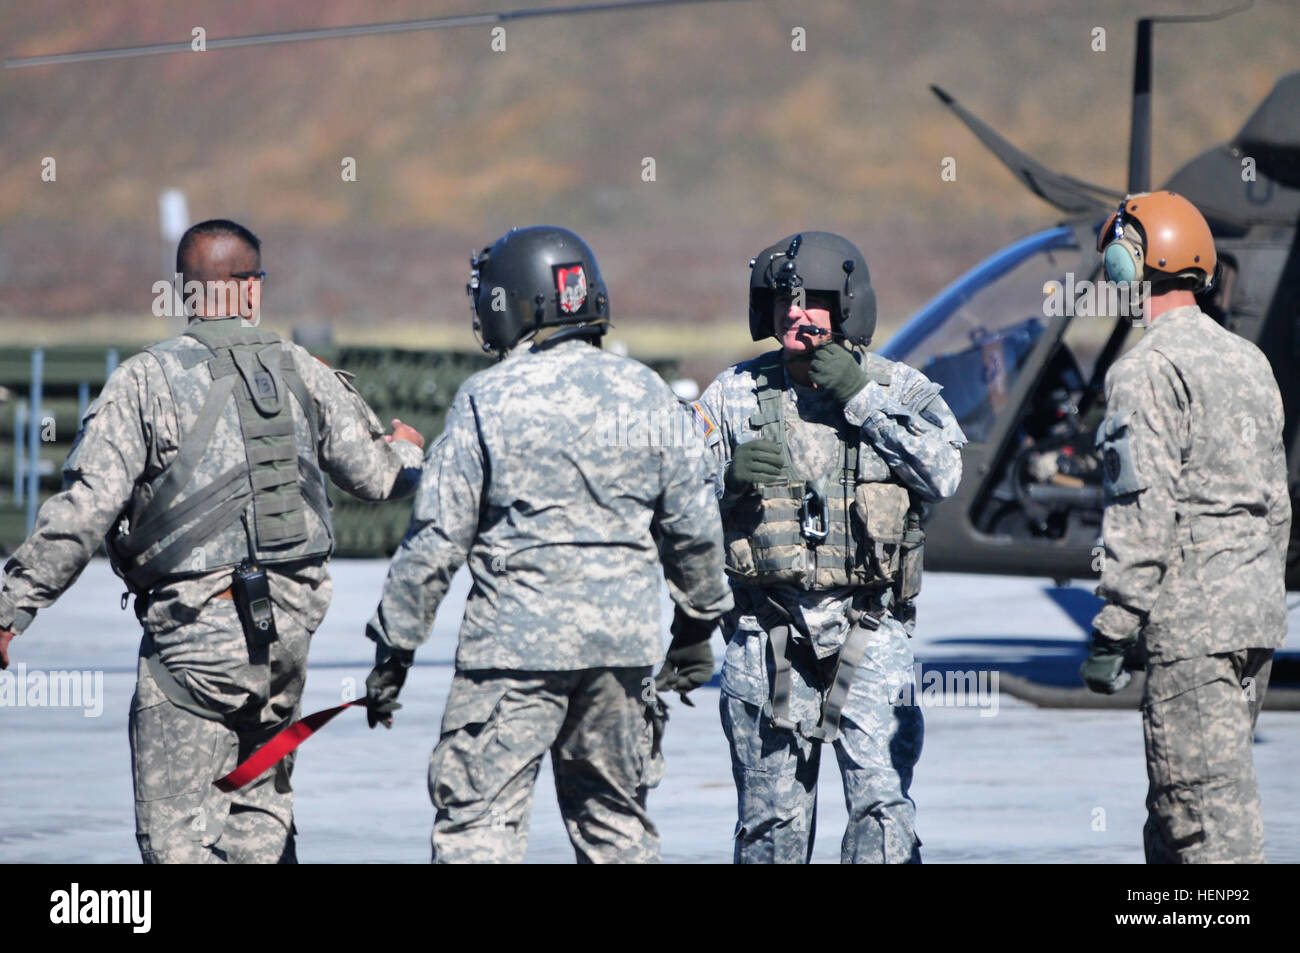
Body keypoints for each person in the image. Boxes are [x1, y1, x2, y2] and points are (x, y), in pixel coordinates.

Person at [0, 219, 425, 863]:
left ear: (183, 294)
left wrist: (12, 608)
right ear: (251, 292)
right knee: (261, 828)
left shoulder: (143, 383)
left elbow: (83, 510)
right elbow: (380, 476)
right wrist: (407, 448)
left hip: (192, 655)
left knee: (177, 845)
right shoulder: (303, 371)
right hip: (283, 655)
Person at [363, 225, 732, 864]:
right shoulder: (646, 391)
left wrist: (395, 649)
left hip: (511, 653)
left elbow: (435, 541)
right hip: (621, 651)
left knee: (479, 828)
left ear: (511, 303)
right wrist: (698, 626)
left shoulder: (487, 397)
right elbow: (695, 526)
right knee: (618, 828)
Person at [692, 231, 965, 864]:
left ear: (846, 306)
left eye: (815, 300)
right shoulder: (733, 395)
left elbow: (945, 475)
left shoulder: (899, 389)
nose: (798, 314)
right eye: (785, 300)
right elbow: (672, 500)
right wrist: (725, 480)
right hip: (769, 636)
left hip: (870, 632)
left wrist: (859, 398)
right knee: (769, 827)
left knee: (882, 813)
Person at [1082, 191, 1290, 864]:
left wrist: (1115, 624)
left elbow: (1143, 509)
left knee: (1201, 821)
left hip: (1193, 628)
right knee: (1188, 809)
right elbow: (1276, 503)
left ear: (1135, 260)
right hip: (1253, 617)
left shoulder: (1144, 369)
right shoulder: (1248, 360)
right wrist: (1256, 591)